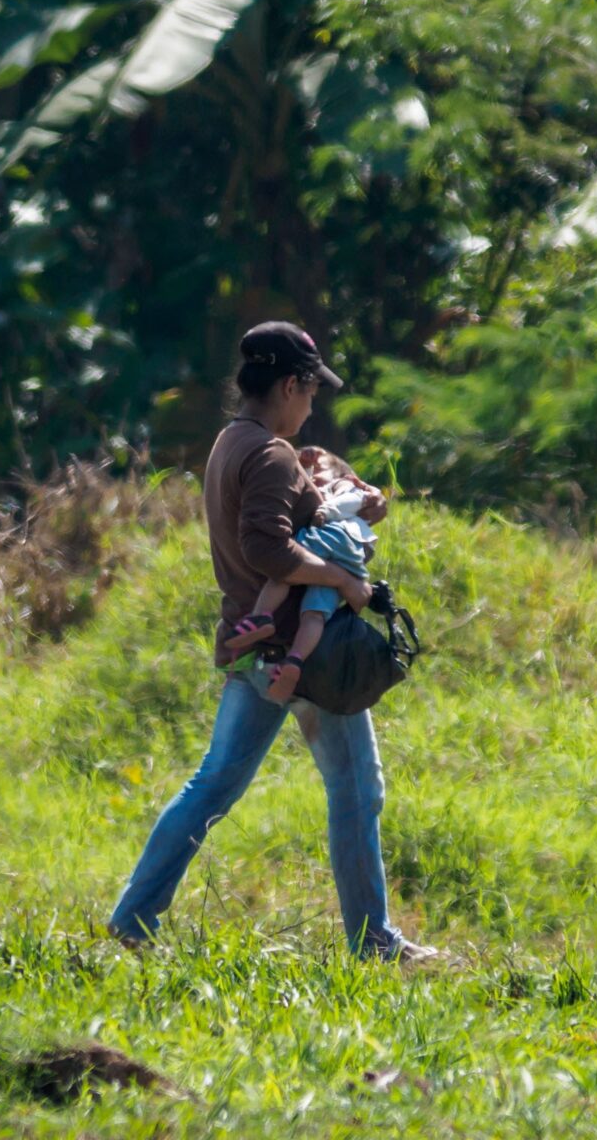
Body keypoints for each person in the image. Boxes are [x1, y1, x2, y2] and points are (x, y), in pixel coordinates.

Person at [107, 321, 438, 965]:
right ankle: (374, 944)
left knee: (214, 784)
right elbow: (268, 547)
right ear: (290, 385)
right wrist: (342, 575)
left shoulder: (232, 442)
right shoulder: (270, 454)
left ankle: (133, 918)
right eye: (311, 392)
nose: (313, 406)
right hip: (304, 653)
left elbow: (284, 521)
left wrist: (345, 507)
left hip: (253, 644)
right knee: (358, 789)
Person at [224, 444, 383, 703]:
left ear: (346, 476)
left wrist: (326, 511)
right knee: (314, 615)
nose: (313, 478)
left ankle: (260, 617)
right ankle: (295, 660)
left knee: (285, 567)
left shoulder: (346, 486)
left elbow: (347, 498)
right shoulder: (319, 488)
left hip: (333, 538)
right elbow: (305, 486)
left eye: (319, 470)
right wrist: (306, 468)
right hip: (347, 560)